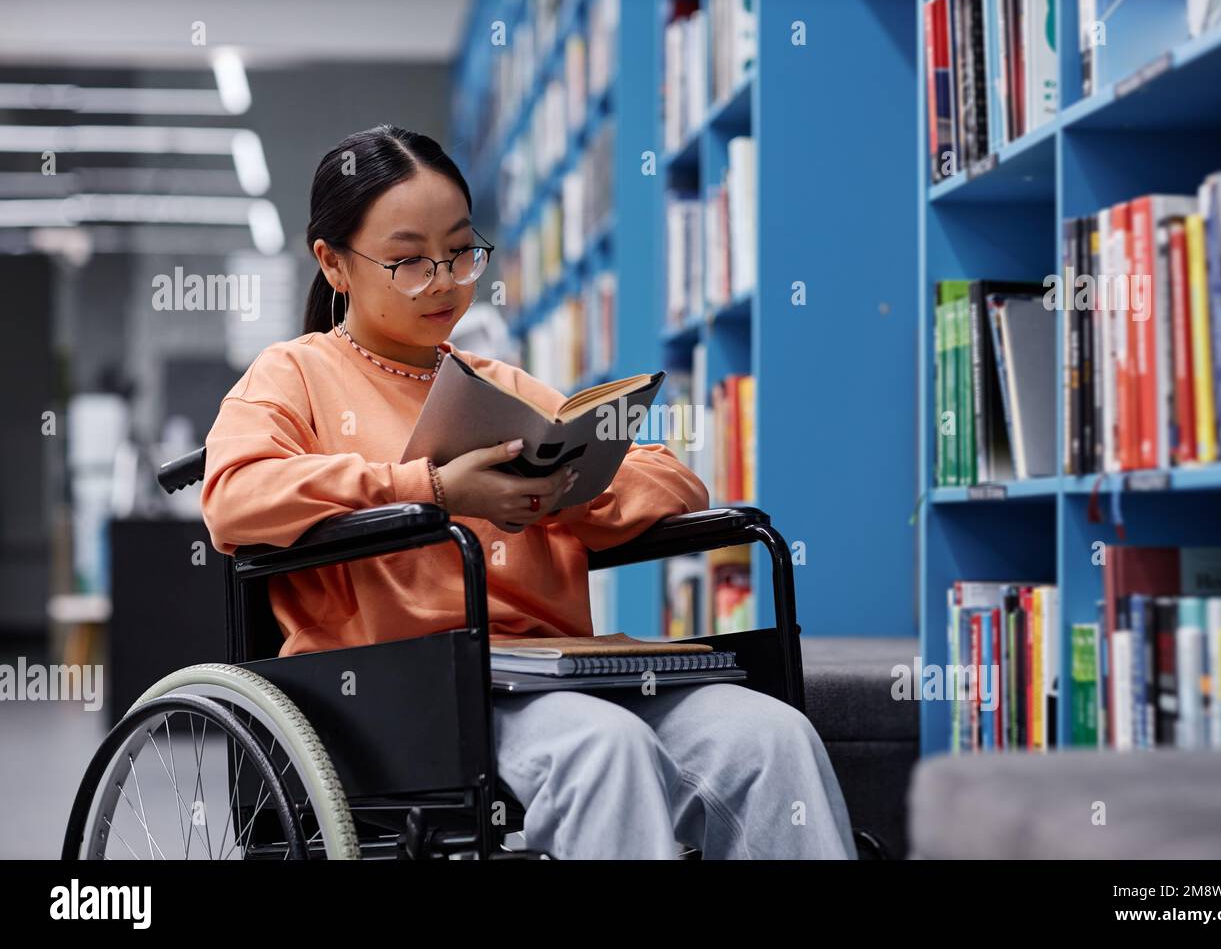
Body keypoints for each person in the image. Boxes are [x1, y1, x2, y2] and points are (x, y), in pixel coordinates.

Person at [200, 124, 857, 860]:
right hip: (402, 688)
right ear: (335, 264)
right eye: (411, 260)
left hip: (556, 667)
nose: (446, 279)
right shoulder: (294, 374)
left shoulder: (502, 385)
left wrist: (568, 487)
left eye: (460, 251)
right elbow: (235, 496)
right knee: (603, 750)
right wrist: (438, 490)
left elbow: (674, 479)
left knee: (770, 736)